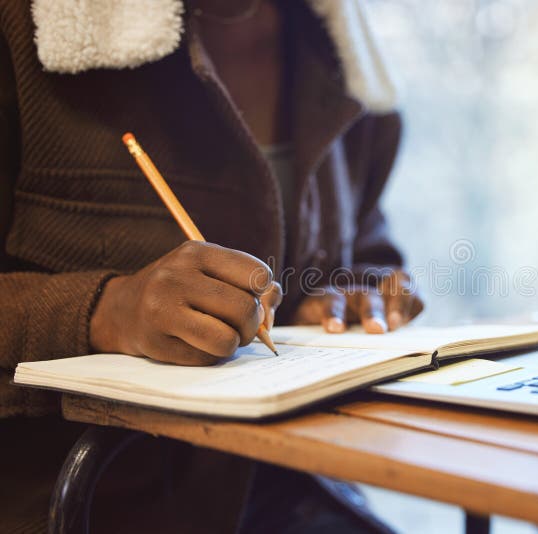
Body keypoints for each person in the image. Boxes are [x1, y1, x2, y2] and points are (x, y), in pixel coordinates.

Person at [0, 0, 422, 531]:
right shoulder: (27, 25)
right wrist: (105, 311)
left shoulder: (344, 52)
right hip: (83, 499)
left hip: (296, 482)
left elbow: (367, 249)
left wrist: (349, 292)